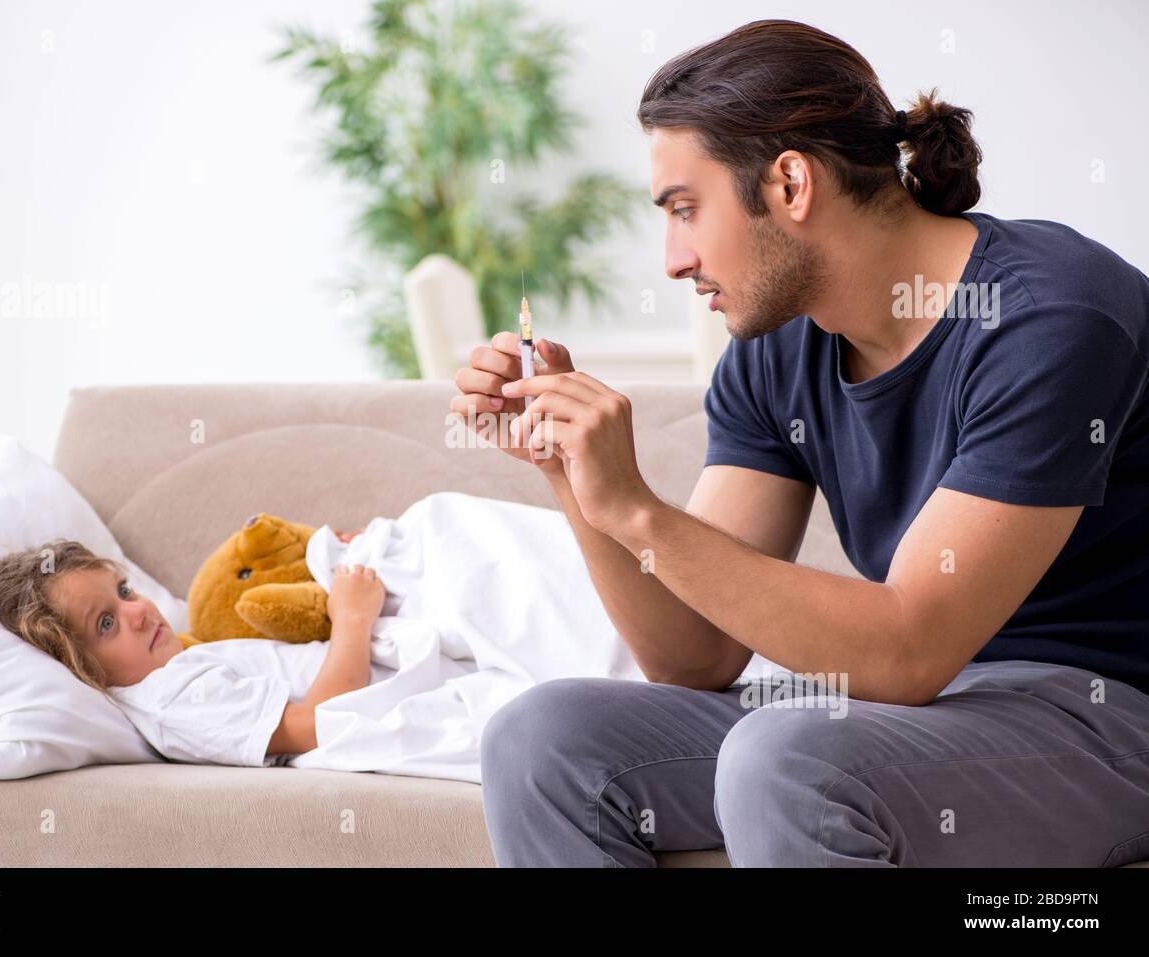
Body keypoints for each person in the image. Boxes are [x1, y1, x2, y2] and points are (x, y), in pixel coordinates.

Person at [451, 18, 1149, 867]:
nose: (673, 260)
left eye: (684, 210)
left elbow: (908, 651)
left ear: (789, 183)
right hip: (927, 717)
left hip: (1106, 715)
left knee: (787, 756)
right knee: (542, 738)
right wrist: (579, 478)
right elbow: (695, 655)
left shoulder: (1047, 319)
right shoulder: (778, 349)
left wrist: (641, 508)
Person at [0, 538, 387, 766]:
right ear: (79, 668)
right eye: (106, 623)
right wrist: (352, 617)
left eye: (124, 591)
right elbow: (320, 724)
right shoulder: (171, 699)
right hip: (382, 689)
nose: (137, 612)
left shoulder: (176, 665)